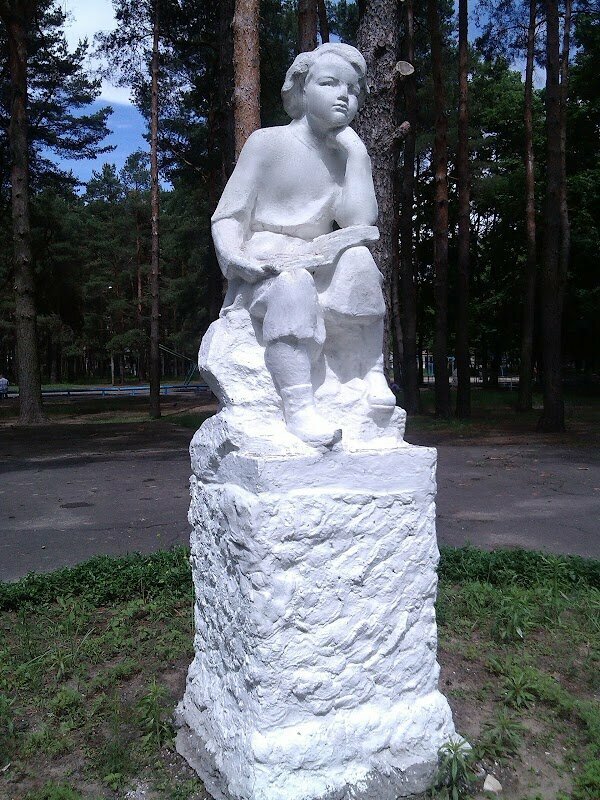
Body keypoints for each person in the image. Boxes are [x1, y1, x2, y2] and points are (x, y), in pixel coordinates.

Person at [211, 43, 394, 447]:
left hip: (318, 258)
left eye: (352, 88)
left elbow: (359, 222)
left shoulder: (345, 154)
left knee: (361, 260)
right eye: (329, 83)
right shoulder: (267, 143)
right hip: (269, 265)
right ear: (301, 88)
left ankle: (371, 371)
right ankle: (298, 406)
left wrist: (359, 154)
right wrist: (236, 257)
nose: (343, 94)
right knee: (293, 285)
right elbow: (228, 216)